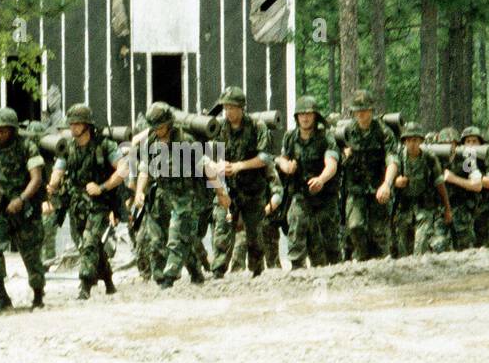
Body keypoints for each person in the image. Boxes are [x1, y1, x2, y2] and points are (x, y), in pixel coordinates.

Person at [47, 103, 126, 299]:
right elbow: (58, 171)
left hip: (99, 204)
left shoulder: (104, 145)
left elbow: (124, 169)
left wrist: (102, 187)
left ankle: (85, 286)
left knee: (90, 242)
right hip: (76, 205)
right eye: (71, 124)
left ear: (87, 125)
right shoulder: (68, 148)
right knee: (87, 246)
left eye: (77, 124)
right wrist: (53, 185)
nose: (72, 127)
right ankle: (107, 278)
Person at [134, 102, 211, 288]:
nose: (157, 131)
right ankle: (186, 271)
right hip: (161, 195)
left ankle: (169, 278)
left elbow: (206, 166)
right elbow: (145, 169)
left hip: (185, 195)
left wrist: (220, 193)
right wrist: (139, 192)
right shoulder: (151, 142)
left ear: (168, 123)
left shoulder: (186, 140)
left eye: (159, 127)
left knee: (177, 237)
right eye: (153, 127)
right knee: (157, 238)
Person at [0, 107, 46, 313]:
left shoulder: (28, 147)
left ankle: (37, 296)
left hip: (24, 208)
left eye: (5, 130)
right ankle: (2, 296)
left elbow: (37, 178)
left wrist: (22, 199)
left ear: (13, 130)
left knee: (31, 256)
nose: (0, 134)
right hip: (0, 207)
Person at [209, 87, 273, 278]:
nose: (228, 112)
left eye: (232, 107)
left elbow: (265, 157)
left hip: (253, 189)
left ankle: (256, 271)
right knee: (221, 228)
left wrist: (239, 166)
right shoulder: (219, 128)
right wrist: (218, 166)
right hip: (228, 190)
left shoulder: (257, 126)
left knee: (254, 235)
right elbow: (207, 158)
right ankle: (218, 271)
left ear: (242, 108)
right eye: (226, 108)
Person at [276, 95, 340, 268]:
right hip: (300, 194)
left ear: (315, 116)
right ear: (297, 117)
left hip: (325, 195)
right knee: (295, 222)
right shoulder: (290, 137)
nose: (304, 118)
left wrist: (321, 179)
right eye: (301, 114)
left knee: (329, 241)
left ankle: (335, 271)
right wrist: (286, 166)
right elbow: (281, 158)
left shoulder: (325, 137)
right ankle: (297, 267)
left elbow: (332, 163)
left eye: (309, 114)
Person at [382, 122, 450, 256]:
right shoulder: (398, 158)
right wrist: (395, 182)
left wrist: (447, 208)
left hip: (424, 209)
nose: (411, 144)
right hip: (403, 209)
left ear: (420, 141)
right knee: (402, 251)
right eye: (408, 140)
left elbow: (440, 184)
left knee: (420, 247)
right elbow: (385, 179)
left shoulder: (429, 158)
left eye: (415, 140)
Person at [341, 90, 394, 261]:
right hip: (356, 189)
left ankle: (379, 264)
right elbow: (335, 157)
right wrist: (344, 156)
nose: (361, 114)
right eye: (358, 110)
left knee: (379, 233)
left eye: (365, 110)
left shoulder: (383, 132)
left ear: (372, 111)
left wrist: (387, 184)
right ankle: (362, 259)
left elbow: (393, 160)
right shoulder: (347, 132)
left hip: (378, 188)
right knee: (355, 226)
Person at [446, 126, 489, 251]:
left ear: (481, 143)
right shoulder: (463, 159)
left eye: (474, 141)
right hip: (466, 207)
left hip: (486, 206)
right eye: (467, 141)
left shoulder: (487, 157)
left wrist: (473, 178)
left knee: (483, 243)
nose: (471, 145)